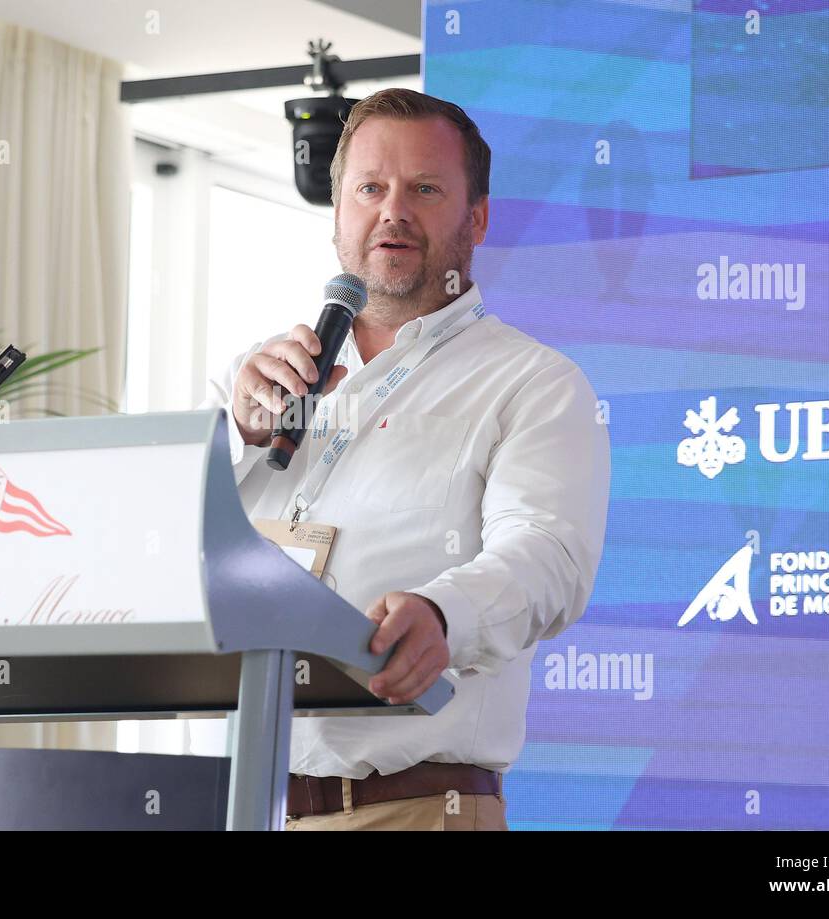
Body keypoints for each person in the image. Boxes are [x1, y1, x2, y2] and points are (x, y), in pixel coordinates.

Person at [199, 88, 611, 830]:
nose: (393, 210)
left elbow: (548, 555)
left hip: (416, 809)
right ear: (337, 219)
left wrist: (442, 615)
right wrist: (236, 434)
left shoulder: (533, 383)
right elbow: (158, 543)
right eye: (370, 188)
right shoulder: (253, 381)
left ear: (476, 218)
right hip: (241, 806)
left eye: (425, 189)